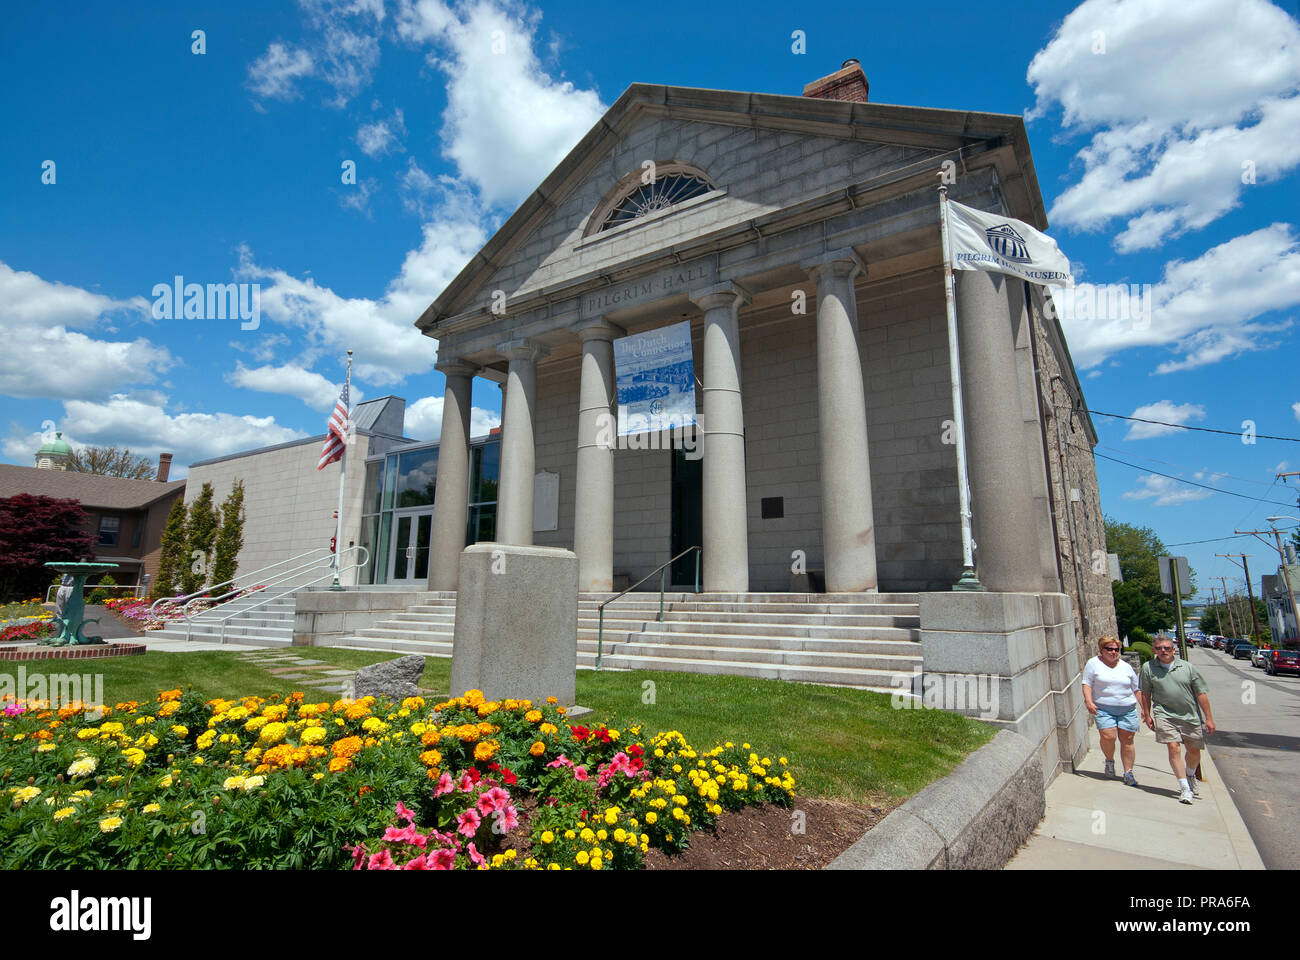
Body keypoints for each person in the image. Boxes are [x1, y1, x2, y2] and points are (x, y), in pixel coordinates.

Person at [1137, 637, 1216, 804]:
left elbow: (1201, 693)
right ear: (1154, 650)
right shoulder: (1148, 668)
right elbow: (1145, 693)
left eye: (1166, 648)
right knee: (1173, 747)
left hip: (1189, 715)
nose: (1163, 651)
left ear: (1173, 650)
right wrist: (1147, 713)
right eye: (1159, 648)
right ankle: (1185, 787)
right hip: (1164, 714)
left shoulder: (1187, 668)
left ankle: (1190, 774)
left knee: (1193, 751)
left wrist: (1208, 718)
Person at [1081, 637, 1141, 786]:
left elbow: (1136, 688)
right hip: (1104, 707)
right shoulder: (1093, 664)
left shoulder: (1126, 667)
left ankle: (1128, 773)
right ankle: (1109, 761)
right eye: (1110, 649)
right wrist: (1089, 701)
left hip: (1127, 708)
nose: (1113, 652)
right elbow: (1087, 683)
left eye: (1116, 649)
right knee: (1108, 736)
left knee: (1127, 740)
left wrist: (1145, 709)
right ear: (1102, 650)